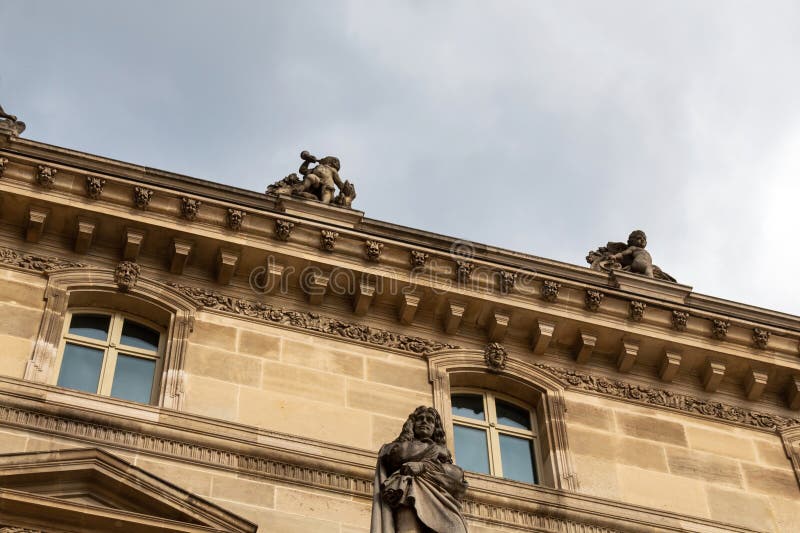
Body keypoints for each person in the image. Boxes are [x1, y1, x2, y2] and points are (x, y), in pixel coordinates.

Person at [371, 406, 469, 533]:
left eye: (429, 420)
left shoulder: (442, 453)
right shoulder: (397, 447)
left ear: (435, 428)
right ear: (412, 424)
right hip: (408, 491)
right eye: (420, 419)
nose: (424, 422)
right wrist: (433, 452)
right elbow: (399, 454)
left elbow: (456, 474)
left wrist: (423, 466)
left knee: (456, 527)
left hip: (440, 499)